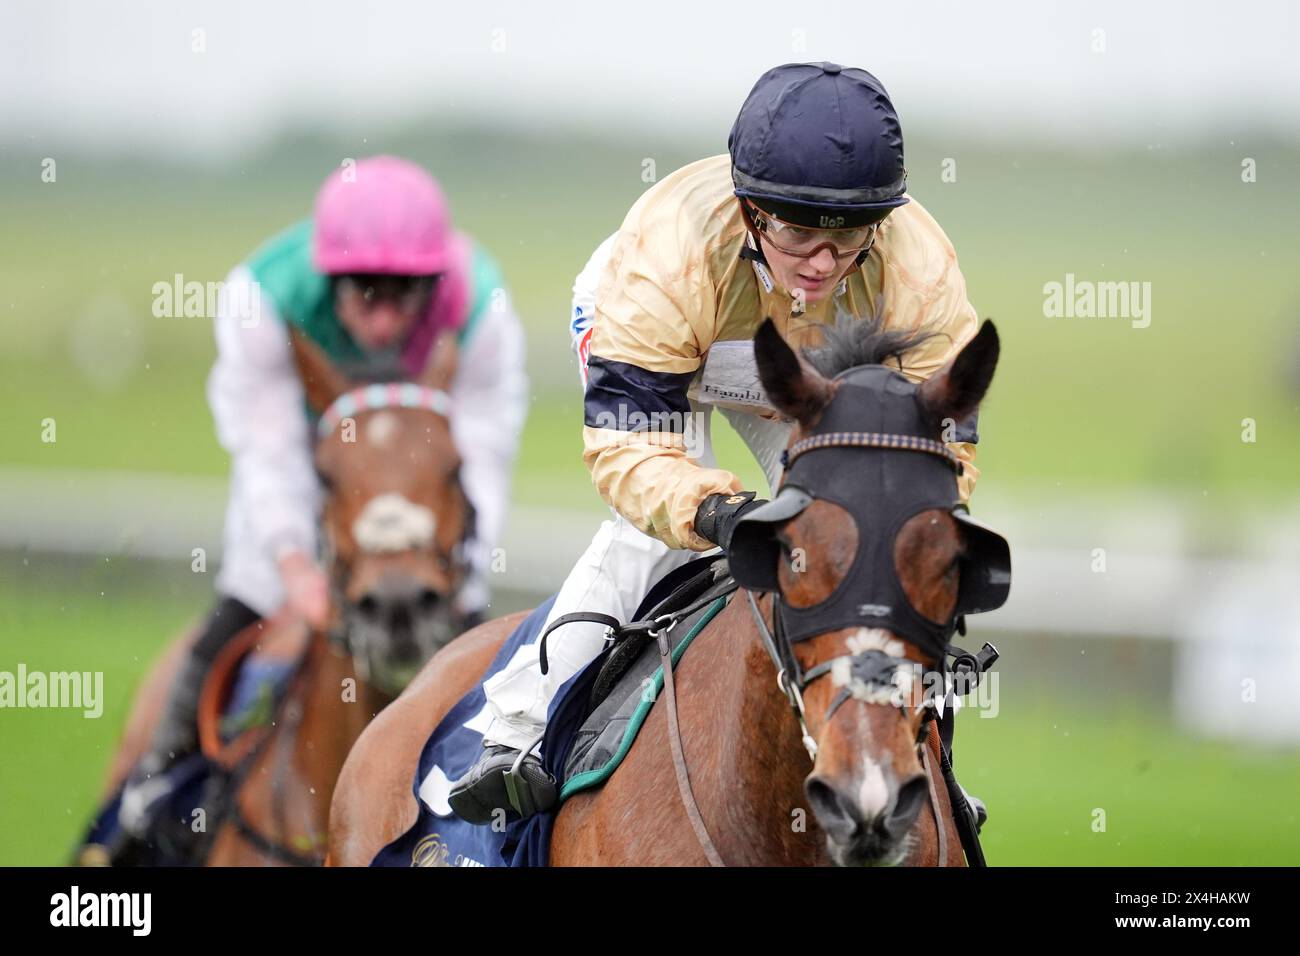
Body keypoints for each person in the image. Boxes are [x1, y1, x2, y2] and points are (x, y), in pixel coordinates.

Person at [448, 62, 986, 825]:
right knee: (667, 535)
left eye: (846, 237)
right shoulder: (665, 257)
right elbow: (632, 453)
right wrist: (720, 514)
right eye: (798, 232)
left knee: (864, 534)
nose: (823, 262)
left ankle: (932, 766)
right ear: (749, 211)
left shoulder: (918, 266)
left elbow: (943, 444)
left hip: (808, 362)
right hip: (676, 339)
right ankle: (517, 730)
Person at [115, 155, 527, 856]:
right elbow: (269, 455)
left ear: (438, 283)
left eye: (409, 293)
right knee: (249, 593)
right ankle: (156, 790)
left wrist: (460, 578)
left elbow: (479, 460)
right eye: (368, 291)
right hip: (312, 468)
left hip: (427, 474)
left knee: (469, 627)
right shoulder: (262, 298)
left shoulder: (482, 307)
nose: (389, 315)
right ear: (332, 279)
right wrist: (297, 569)